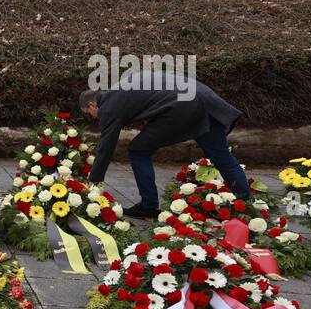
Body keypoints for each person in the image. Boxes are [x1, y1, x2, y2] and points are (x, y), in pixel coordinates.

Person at [80, 74, 249, 218]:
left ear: (92, 105)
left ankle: (149, 206)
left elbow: (106, 147)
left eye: (90, 114)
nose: (94, 117)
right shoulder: (121, 91)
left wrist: (94, 182)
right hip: (201, 98)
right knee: (220, 155)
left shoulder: (109, 105)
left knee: (138, 150)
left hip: (182, 106)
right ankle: (245, 204)